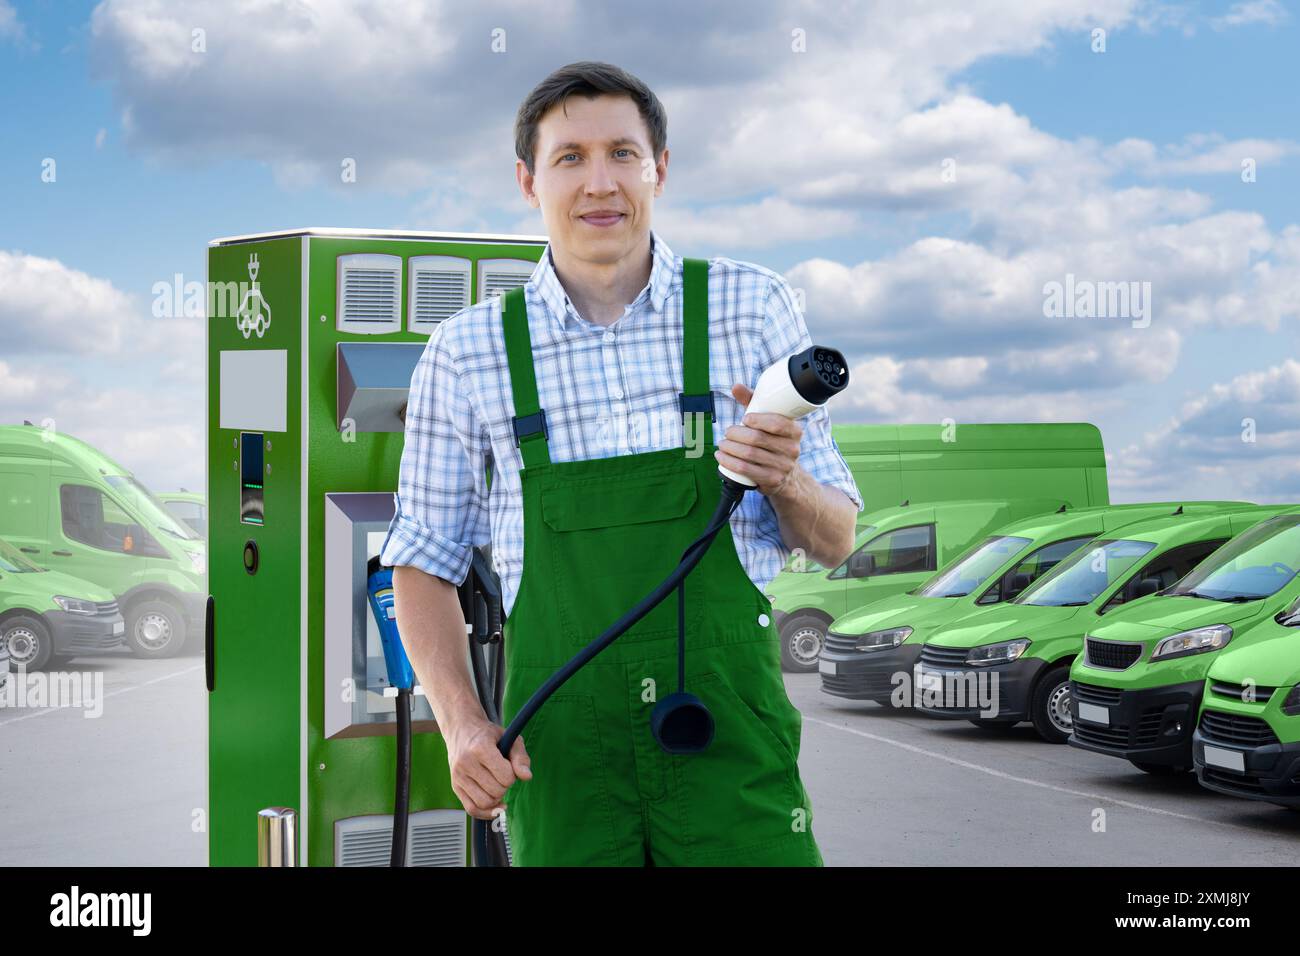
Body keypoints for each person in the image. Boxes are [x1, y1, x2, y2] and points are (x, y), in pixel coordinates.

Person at [379, 60, 862, 866]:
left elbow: (839, 537)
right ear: (529, 181)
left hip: (730, 750)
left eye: (622, 154)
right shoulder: (467, 351)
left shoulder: (750, 307)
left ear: (659, 170)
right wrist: (463, 724)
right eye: (570, 157)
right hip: (561, 760)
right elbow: (421, 560)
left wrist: (784, 478)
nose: (599, 182)